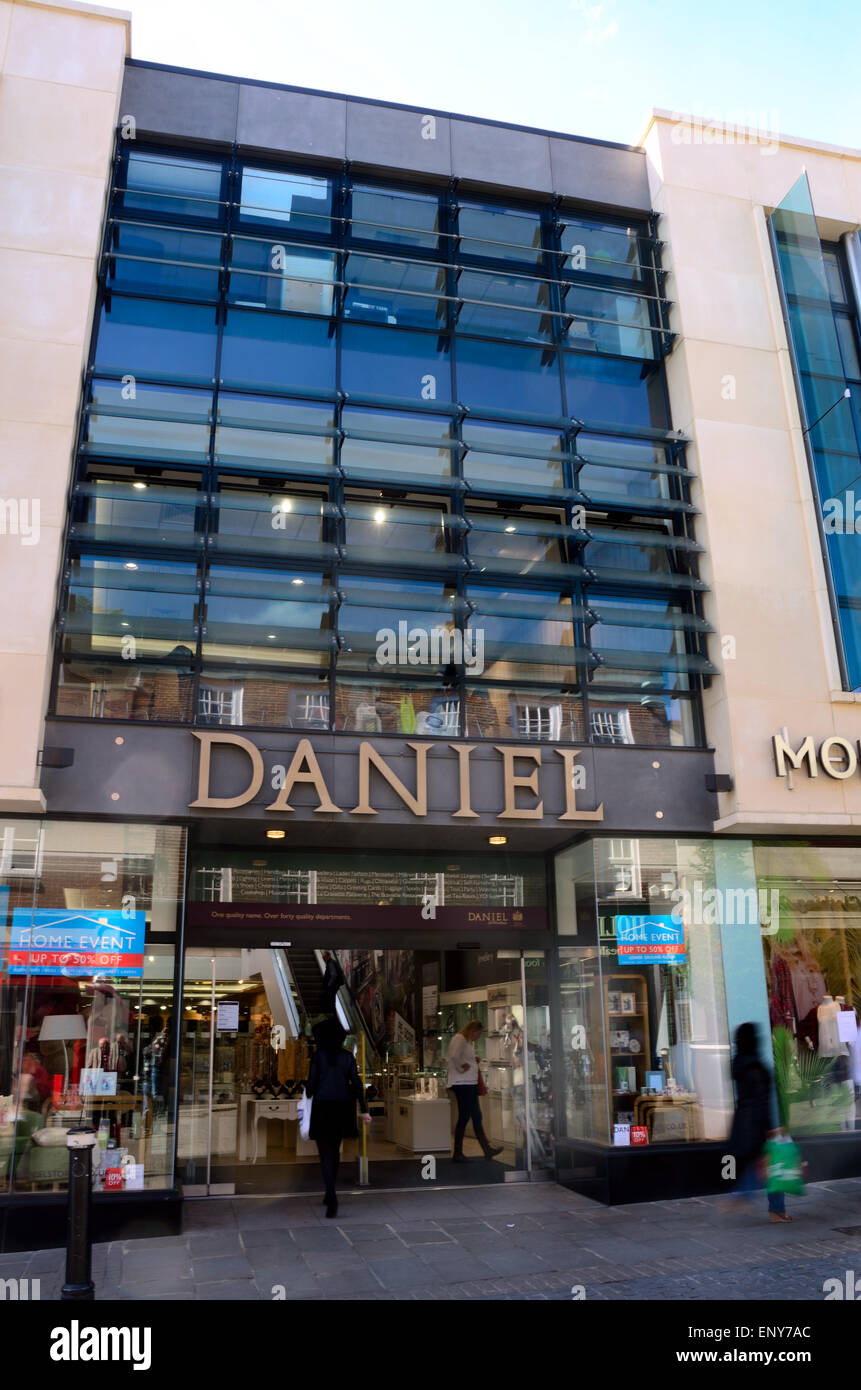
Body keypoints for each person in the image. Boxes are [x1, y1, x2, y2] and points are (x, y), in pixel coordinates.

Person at [305, 1018, 370, 1218]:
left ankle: (330, 1194)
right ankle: (330, 1193)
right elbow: (357, 1084)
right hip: (343, 1107)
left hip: (322, 1107)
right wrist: (365, 1109)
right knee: (335, 1150)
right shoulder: (347, 1057)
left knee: (324, 1152)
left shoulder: (318, 1057)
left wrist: (308, 1091)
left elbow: (311, 1087)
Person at [728, 1021, 792, 1223]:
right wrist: (772, 1127)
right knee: (770, 1165)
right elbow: (761, 1100)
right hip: (758, 1122)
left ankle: (775, 1208)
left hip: (743, 1121)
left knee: (767, 1164)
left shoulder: (739, 1064)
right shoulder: (756, 1067)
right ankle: (746, 1198)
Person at [447, 1020, 503, 1163]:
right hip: (463, 1084)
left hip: (468, 1083)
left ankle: (486, 1150)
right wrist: (461, 1067)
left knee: (476, 1116)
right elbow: (454, 1056)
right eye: (479, 1033)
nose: (479, 1036)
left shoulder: (464, 1040)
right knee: (465, 1117)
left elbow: (458, 1057)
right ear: (474, 1030)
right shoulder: (460, 1039)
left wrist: (469, 1062)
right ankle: (458, 1153)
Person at [321, 951, 345, 1015]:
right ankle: (332, 1014)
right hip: (334, 985)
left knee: (330, 1000)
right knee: (331, 1000)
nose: (323, 959)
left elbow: (334, 975)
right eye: (322, 957)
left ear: (328, 956)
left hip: (332, 986)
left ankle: (332, 1014)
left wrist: (329, 984)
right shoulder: (331, 962)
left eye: (324, 957)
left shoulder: (330, 963)